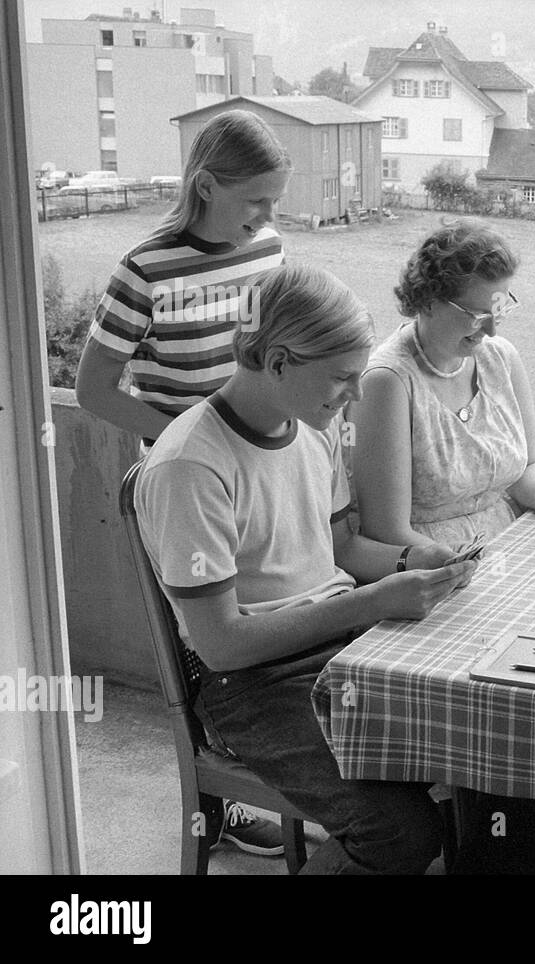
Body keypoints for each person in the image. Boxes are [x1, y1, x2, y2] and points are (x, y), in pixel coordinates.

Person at [134, 262, 477, 874]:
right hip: (255, 686)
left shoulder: (310, 430)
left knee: (485, 748)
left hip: (340, 647)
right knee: (398, 829)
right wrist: (372, 603)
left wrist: (412, 559)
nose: (357, 395)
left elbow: (343, 550)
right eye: (343, 377)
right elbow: (221, 646)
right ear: (281, 361)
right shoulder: (191, 466)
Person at [76, 108, 291, 856]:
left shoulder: (266, 251)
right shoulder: (146, 270)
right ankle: (223, 800)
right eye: (256, 199)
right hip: (183, 488)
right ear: (205, 185)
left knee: (278, 627)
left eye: (274, 199)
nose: (270, 215)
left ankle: (283, 773)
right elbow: (94, 389)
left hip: (261, 470)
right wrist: (182, 428)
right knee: (209, 646)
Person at [349, 218, 535, 558]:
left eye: (499, 310)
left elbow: (527, 467)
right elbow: (386, 530)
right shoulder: (388, 384)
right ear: (427, 299)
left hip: (508, 546)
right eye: (475, 314)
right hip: (433, 567)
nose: (491, 331)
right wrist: (470, 564)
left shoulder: (500, 359)